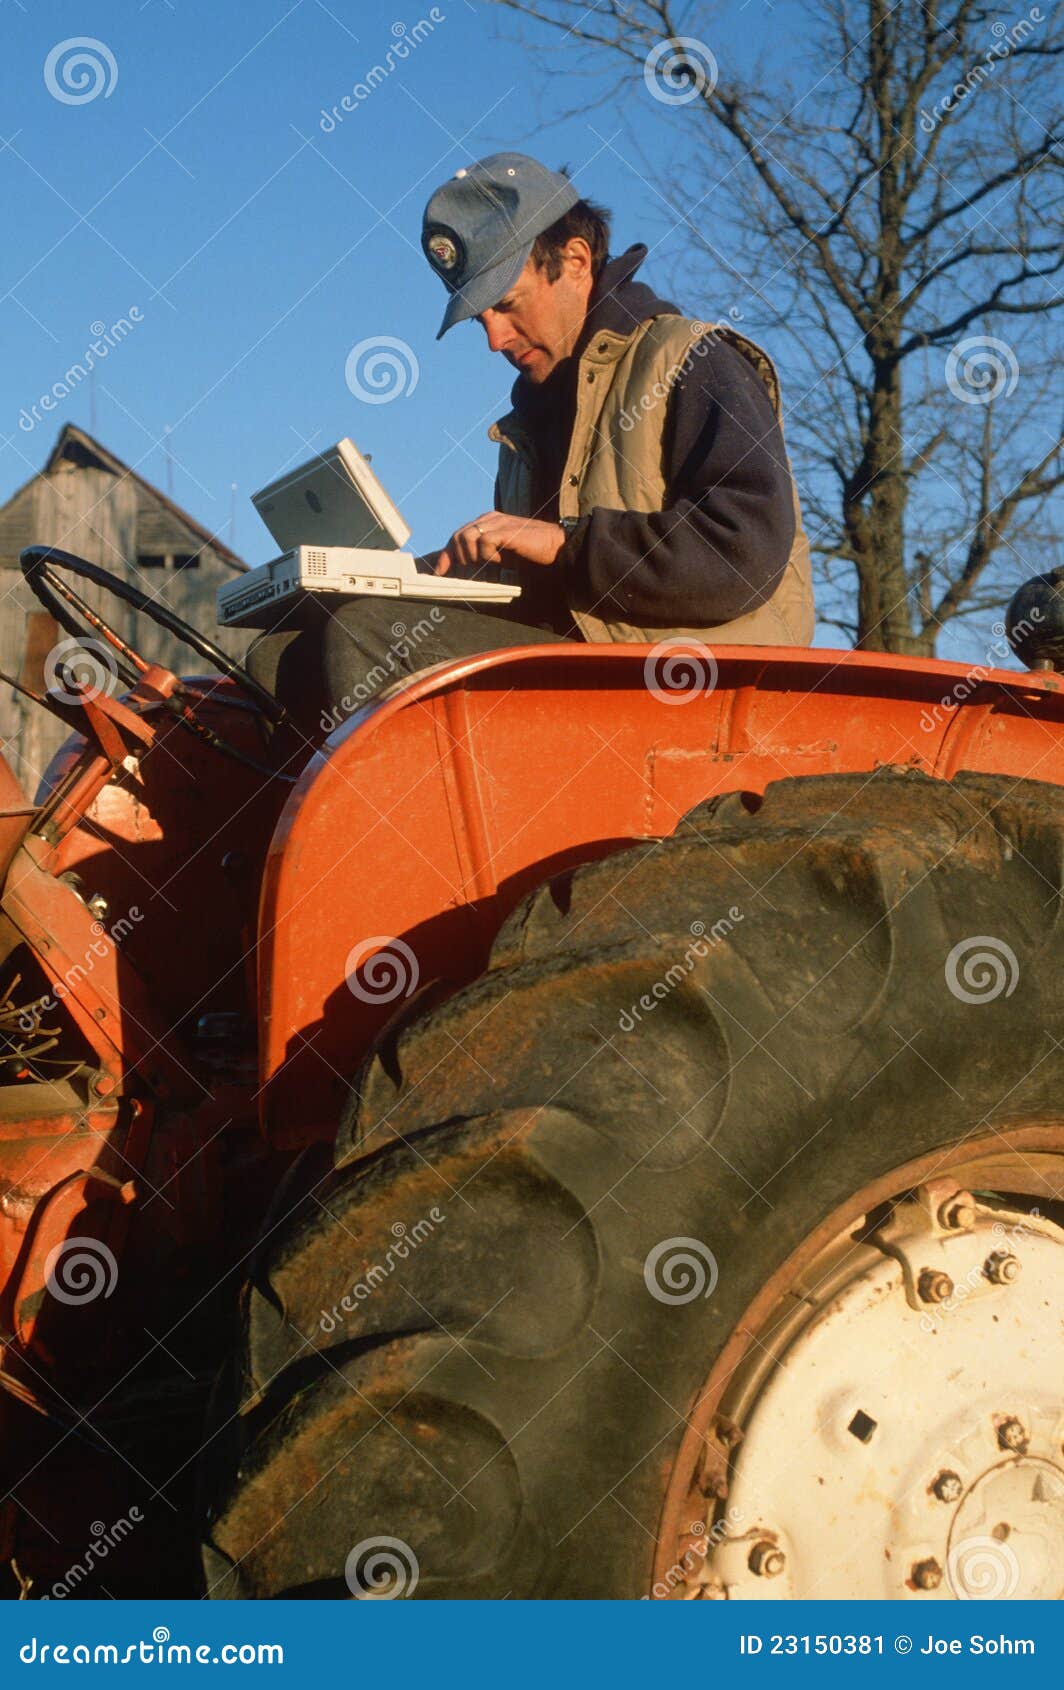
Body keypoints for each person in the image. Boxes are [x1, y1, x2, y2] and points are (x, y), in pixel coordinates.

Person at [246, 152, 813, 742]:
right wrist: (428, 579)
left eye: (507, 305)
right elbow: (547, 592)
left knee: (370, 633)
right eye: (479, 319)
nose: (494, 339)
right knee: (284, 655)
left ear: (574, 261)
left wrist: (562, 544)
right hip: (584, 659)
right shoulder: (528, 421)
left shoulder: (691, 361)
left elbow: (741, 554)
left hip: (686, 681)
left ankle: (387, 834)